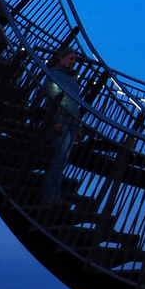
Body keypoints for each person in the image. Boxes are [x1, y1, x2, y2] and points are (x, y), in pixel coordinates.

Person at [41, 49, 85, 206]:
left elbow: (76, 103)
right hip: (62, 121)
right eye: (71, 58)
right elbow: (54, 96)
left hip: (72, 122)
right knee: (61, 158)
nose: (73, 62)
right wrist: (57, 120)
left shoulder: (70, 79)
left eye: (75, 59)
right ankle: (49, 192)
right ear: (61, 59)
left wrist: (78, 126)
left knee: (62, 158)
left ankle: (55, 193)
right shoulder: (54, 74)